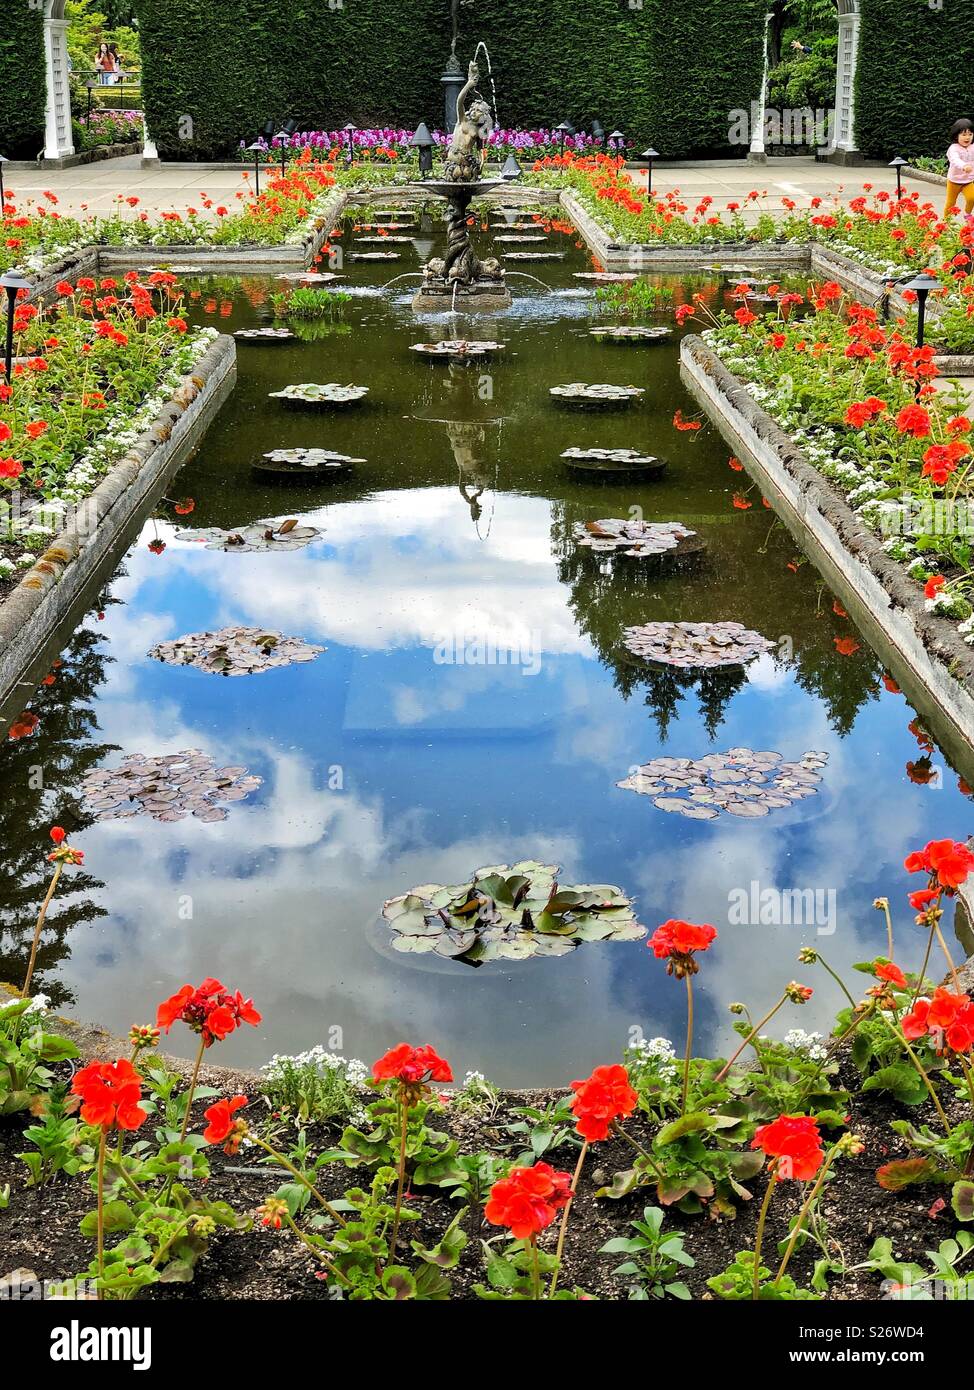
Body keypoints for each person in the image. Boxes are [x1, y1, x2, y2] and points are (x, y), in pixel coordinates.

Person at [945, 118, 974, 217]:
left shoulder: (973, 147)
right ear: (956, 136)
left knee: (972, 198)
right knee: (951, 203)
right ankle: (945, 222)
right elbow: (954, 159)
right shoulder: (953, 148)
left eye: (970, 134)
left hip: (968, 181)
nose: (967, 137)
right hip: (954, 181)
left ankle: (967, 214)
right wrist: (964, 165)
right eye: (964, 134)